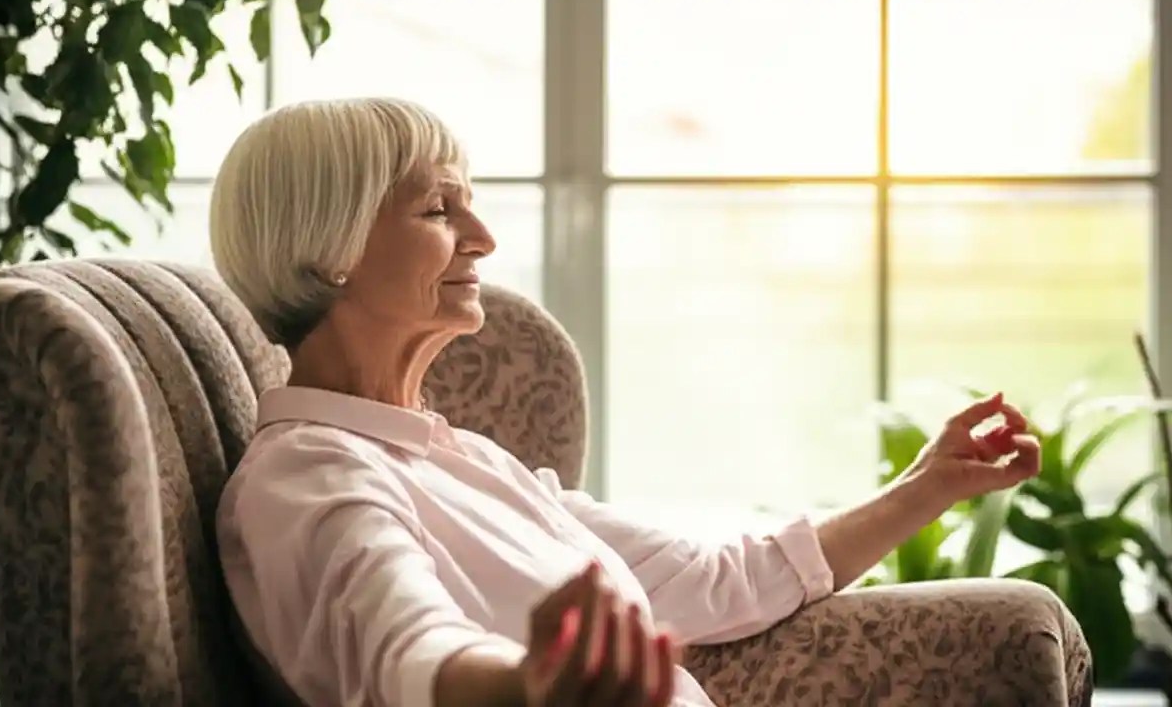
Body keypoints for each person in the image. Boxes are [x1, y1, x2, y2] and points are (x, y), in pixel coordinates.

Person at [210, 97, 1040, 707]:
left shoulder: (461, 461)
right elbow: (403, 648)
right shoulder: (309, 474)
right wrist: (527, 686)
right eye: (437, 207)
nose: (483, 236)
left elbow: (719, 578)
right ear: (331, 253)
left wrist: (930, 485)